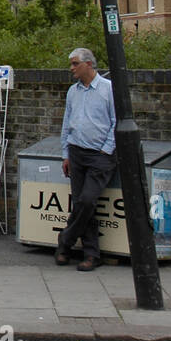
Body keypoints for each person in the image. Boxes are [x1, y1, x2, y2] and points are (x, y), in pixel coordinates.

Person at [55, 48, 117, 271]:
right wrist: (66, 154)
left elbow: (116, 122)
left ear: (88, 64)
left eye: (74, 64)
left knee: (87, 200)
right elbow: (66, 124)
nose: (71, 68)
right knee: (82, 203)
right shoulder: (73, 91)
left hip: (100, 155)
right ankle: (91, 254)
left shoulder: (108, 89)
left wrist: (105, 151)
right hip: (76, 152)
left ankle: (65, 241)